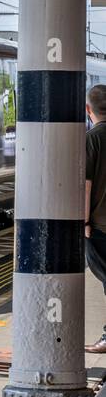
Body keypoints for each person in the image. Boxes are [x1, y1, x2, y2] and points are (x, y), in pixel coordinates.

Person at [83, 85, 106, 353]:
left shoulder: (91, 139)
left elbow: (85, 186)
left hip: (100, 226)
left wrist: (84, 222)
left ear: (88, 110)